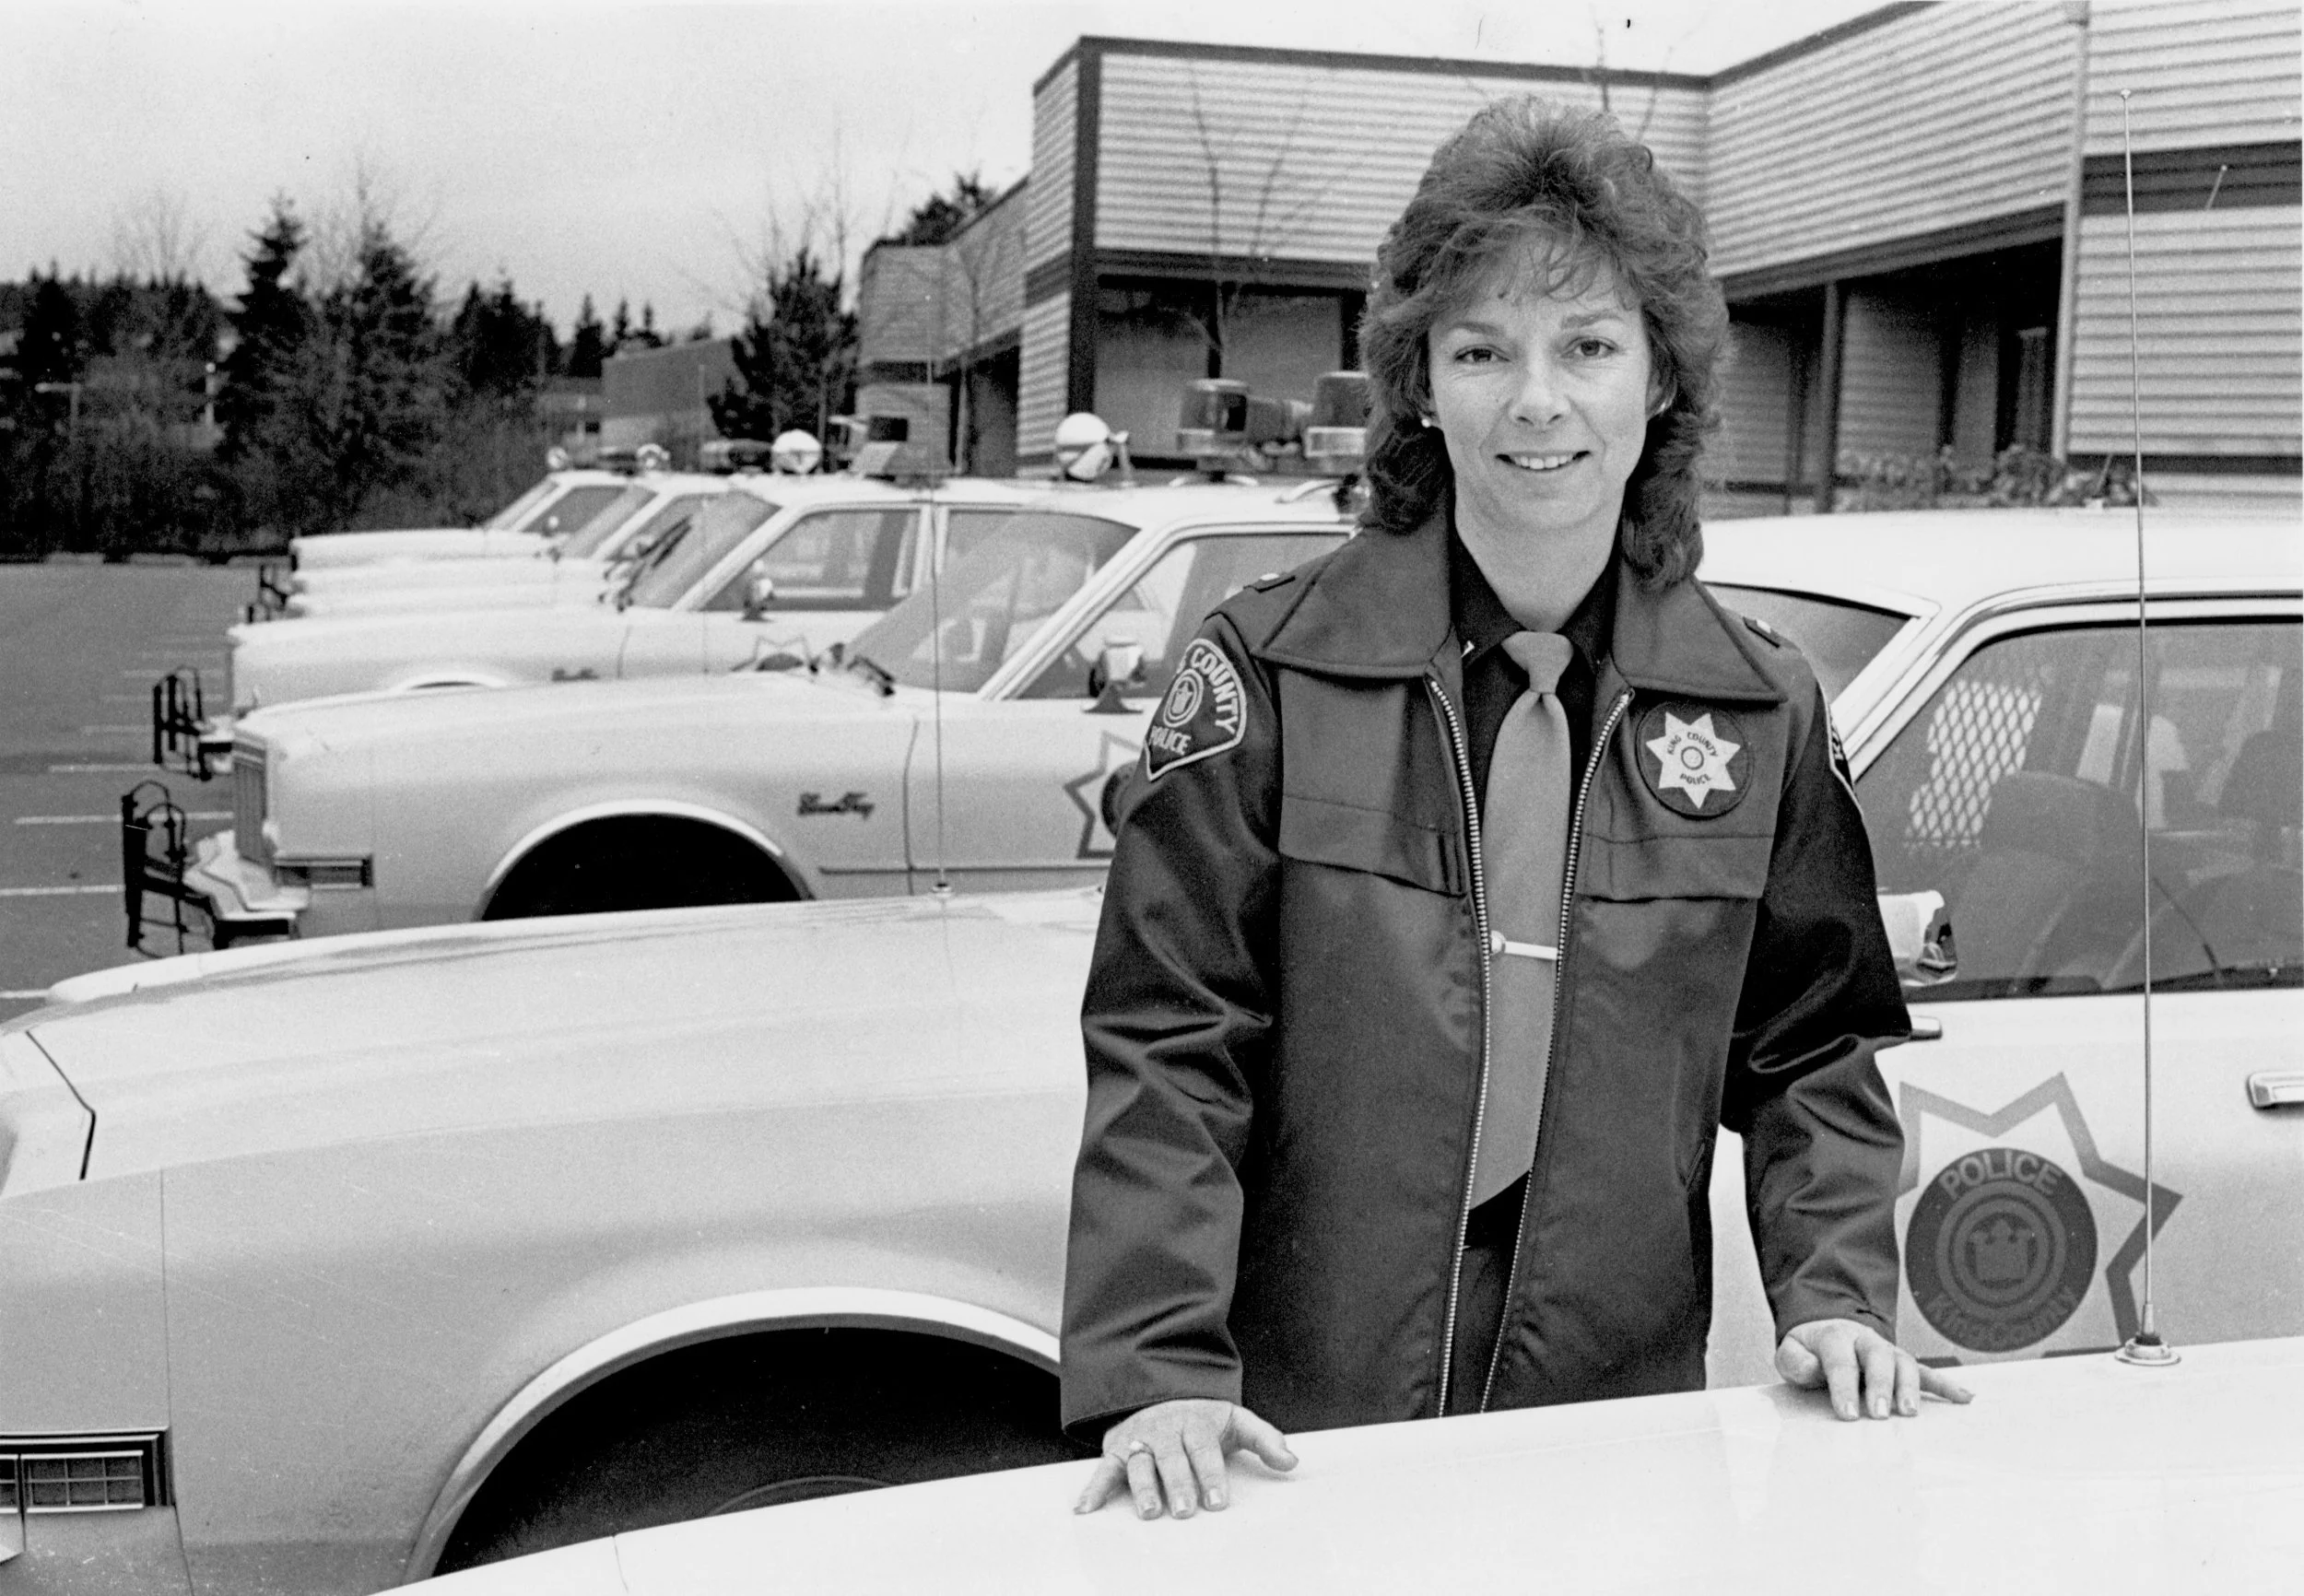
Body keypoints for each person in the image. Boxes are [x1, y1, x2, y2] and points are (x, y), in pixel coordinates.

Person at [1062, 97, 1969, 1523]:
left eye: (1588, 348)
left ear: (1659, 380)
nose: (1537, 401)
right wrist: (1160, 1363)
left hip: (1613, 1425)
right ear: (1419, 381)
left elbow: (1815, 1046)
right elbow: (1172, 1032)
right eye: (1483, 351)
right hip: (1300, 1424)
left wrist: (1838, 1291)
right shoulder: (1273, 670)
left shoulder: (1759, 709)